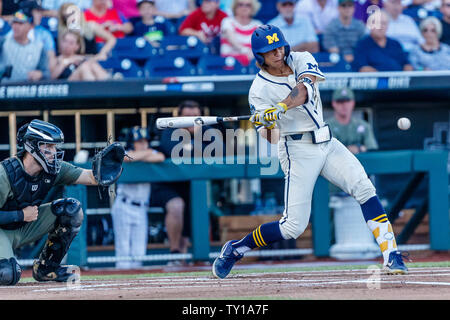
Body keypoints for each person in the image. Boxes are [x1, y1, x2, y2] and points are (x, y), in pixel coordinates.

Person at [212, 24, 409, 280]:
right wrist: (268, 122)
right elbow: (270, 138)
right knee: (292, 226)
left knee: (364, 187)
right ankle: (237, 249)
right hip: (296, 149)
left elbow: (304, 89)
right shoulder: (258, 91)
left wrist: (281, 106)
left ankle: (391, 254)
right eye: (270, 50)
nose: (277, 53)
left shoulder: (302, 57)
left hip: (327, 141)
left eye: (279, 46)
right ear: (259, 56)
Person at [0, 119, 120, 285]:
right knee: (7, 274)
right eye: (48, 147)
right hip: (3, 230)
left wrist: (106, 168)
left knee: (71, 209)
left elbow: (90, 177)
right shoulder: (4, 174)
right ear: (32, 146)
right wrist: (20, 214)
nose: (54, 152)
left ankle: (47, 268)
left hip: (25, 225)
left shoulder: (54, 169)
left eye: (54, 147)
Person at [111, 126, 165, 269]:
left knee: (139, 252)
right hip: (124, 205)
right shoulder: (126, 153)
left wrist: (144, 153)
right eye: (139, 141)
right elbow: (125, 158)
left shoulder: (150, 153)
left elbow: (161, 157)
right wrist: (145, 153)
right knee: (123, 251)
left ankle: (134, 288)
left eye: (145, 141)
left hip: (141, 208)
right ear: (131, 142)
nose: (143, 144)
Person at [0, 10, 50, 82]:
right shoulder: (2, 42)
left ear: (31, 26)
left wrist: (40, 74)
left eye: (20, 23)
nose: (16, 26)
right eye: (14, 23)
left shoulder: (39, 47)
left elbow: (47, 74)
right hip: (5, 89)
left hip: (27, 89)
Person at [327, 87, 378, 154]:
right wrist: (349, 149)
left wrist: (359, 148)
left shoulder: (364, 125)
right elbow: (328, 150)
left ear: (353, 103)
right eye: (340, 102)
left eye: (347, 101)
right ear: (333, 103)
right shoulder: (326, 126)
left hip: (361, 163)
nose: (344, 105)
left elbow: (372, 148)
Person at [219, 0, 262, 66]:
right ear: (235, 7)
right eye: (240, 4)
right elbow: (232, 41)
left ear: (253, 8)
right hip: (228, 64)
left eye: (248, 5)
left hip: (251, 65)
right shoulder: (228, 21)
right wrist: (246, 52)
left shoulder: (258, 25)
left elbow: (260, 47)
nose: (244, 7)